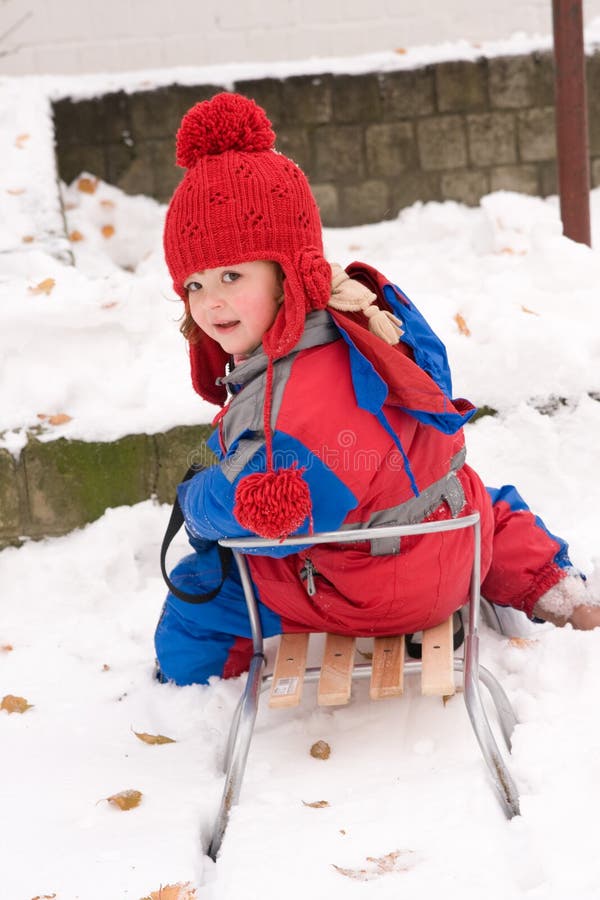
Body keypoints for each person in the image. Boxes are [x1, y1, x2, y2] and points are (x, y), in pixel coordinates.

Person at [155, 92, 600, 686]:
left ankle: (192, 684)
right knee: (481, 501)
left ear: (288, 271)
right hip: (455, 544)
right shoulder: (367, 323)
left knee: (202, 581)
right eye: (194, 283)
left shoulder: (289, 405)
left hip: (373, 595)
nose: (211, 301)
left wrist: (197, 499)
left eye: (233, 275)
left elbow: (265, 520)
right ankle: (556, 587)